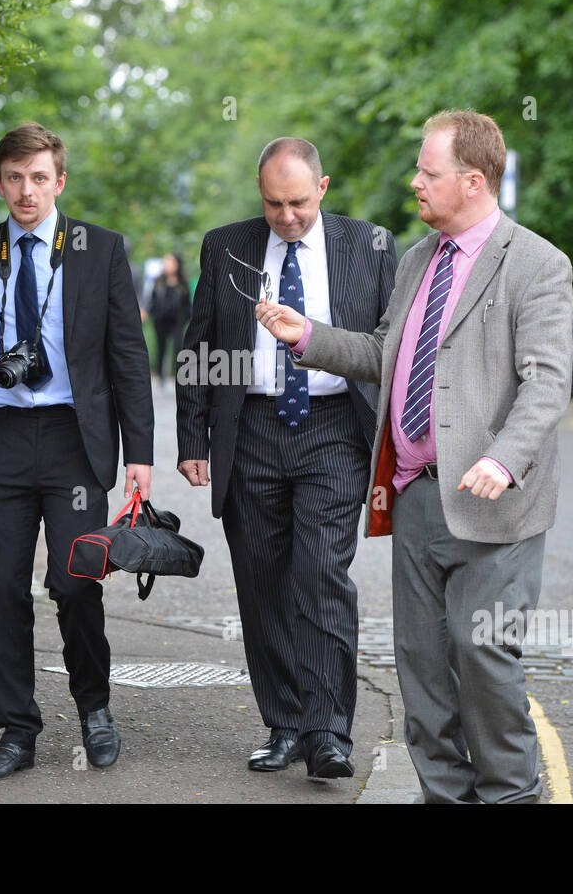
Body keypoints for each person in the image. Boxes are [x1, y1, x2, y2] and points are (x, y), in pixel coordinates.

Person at [256, 110, 573, 803]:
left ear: (472, 180)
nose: (415, 183)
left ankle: (511, 794)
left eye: (428, 173)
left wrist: (505, 457)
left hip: (495, 496)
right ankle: (447, 796)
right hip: (417, 494)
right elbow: (383, 355)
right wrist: (306, 333)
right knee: (423, 668)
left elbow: (547, 382)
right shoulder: (415, 262)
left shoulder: (538, 264)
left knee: (483, 653)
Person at [0, 122, 154, 781]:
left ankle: (95, 707)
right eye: (14, 178)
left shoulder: (100, 249)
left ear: (59, 181)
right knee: (1, 588)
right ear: (0, 182)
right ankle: (16, 729)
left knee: (75, 578)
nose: (26, 190)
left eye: (39, 177)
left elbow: (128, 357)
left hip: (71, 440)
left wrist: (138, 449)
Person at [176, 137, 396, 779]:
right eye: (274, 204)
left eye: (298, 202)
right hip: (251, 430)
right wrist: (194, 441)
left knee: (322, 573)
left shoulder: (369, 245)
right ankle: (285, 725)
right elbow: (200, 346)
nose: (287, 216)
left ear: (322, 189)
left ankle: (330, 732)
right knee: (262, 581)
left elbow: (387, 345)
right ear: (259, 191)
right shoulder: (226, 246)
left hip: (333, 428)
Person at [147, 251, 191, 380]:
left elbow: (187, 304)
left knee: (178, 347)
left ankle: (178, 374)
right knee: (161, 347)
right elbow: (153, 301)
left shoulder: (183, 283)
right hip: (161, 320)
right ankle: (160, 375)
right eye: (166, 262)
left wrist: (187, 318)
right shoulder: (158, 282)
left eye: (170, 262)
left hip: (177, 321)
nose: (167, 265)